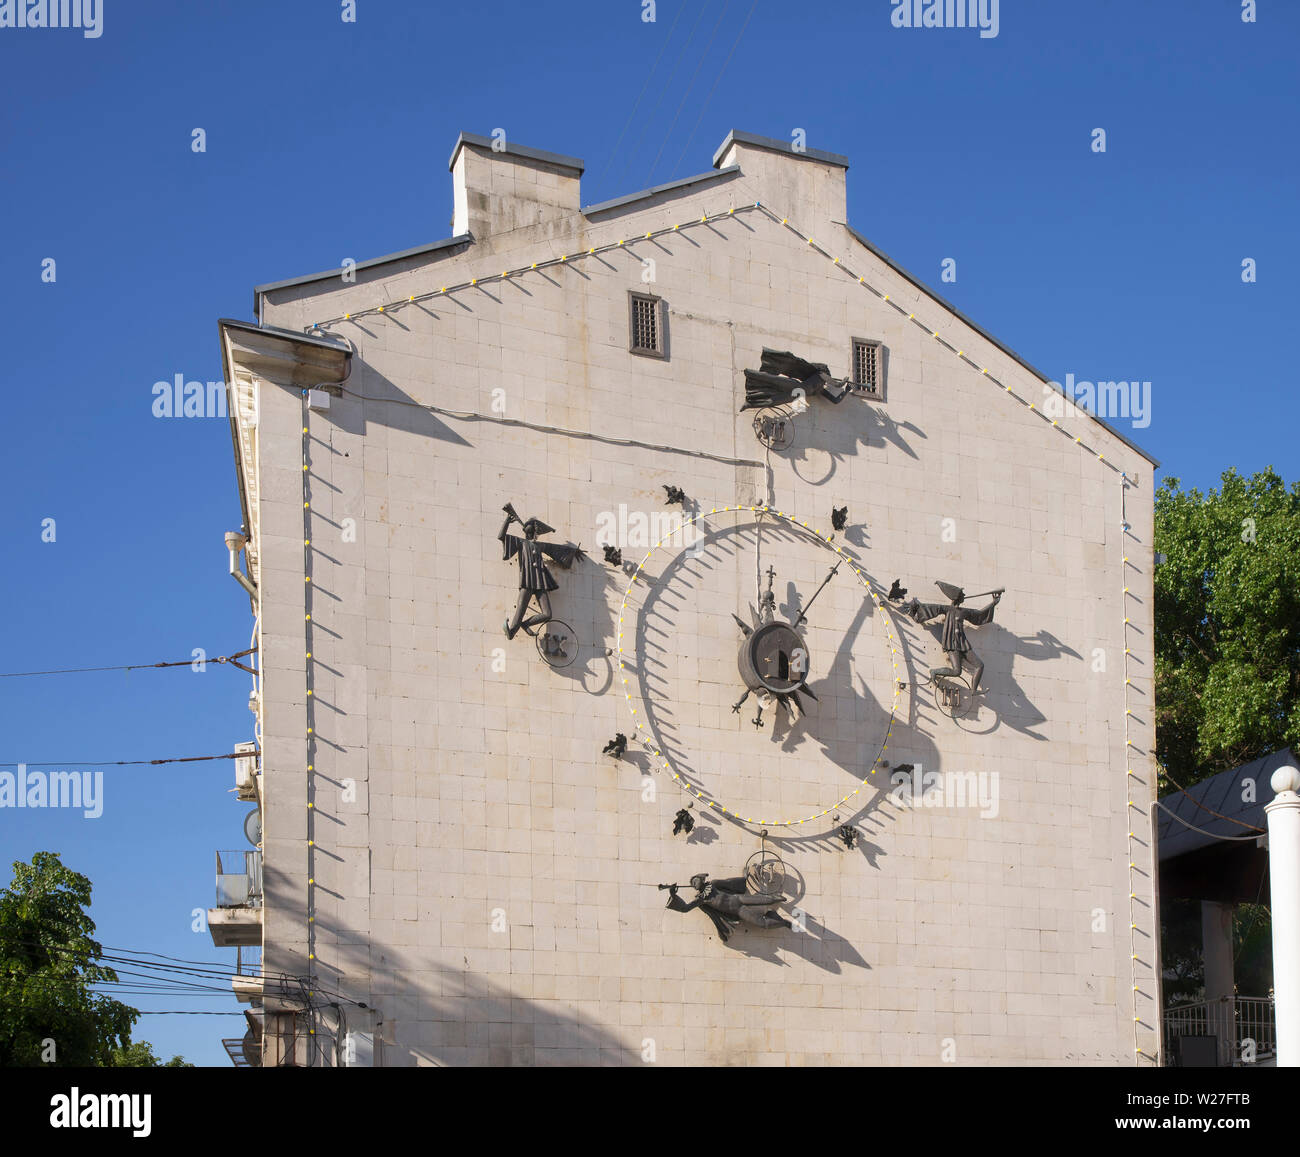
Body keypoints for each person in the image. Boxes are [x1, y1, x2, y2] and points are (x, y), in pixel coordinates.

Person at [499, 504, 582, 640]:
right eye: (532, 530)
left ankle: (526, 624)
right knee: (520, 609)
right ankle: (512, 631)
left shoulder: (539, 545)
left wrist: (573, 552)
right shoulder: (521, 543)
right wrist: (507, 522)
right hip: (527, 580)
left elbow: (555, 549)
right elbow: (502, 537)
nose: (533, 533)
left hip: (540, 581)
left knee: (547, 614)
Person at [903, 581, 1002, 693]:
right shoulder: (948, 610)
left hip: (963, 644)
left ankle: (973, 690)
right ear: (957, 598)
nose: (964, 596)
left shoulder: (963, 612)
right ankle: (934, 672)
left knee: (980, 665)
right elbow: (931, 608)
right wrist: (916, 608)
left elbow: (979, 614)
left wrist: (993, 603)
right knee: (956, 671)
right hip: (952, 644)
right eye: (962, 595)